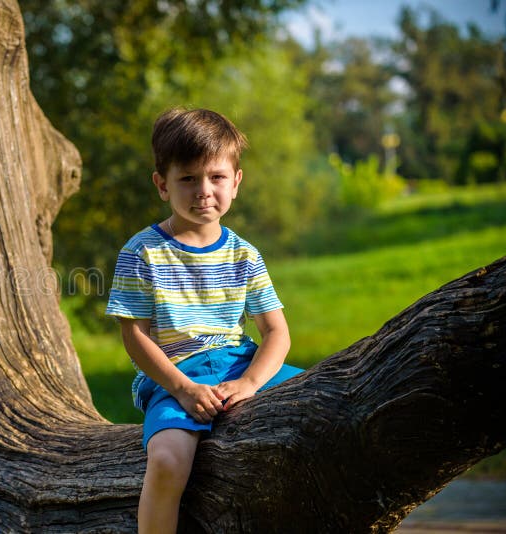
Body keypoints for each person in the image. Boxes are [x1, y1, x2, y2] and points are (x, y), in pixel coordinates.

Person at [105, 108, 303, 533]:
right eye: (188, 179)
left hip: (238, 365)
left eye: (216, 177)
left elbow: (275, 331)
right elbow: (134, 336)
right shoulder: (142, 253)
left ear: (237, 182)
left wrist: (250, 383)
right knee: (167, 460)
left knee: (325, 403)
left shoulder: (244, 254)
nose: (204, 191)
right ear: (162, 185)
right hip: (175, 378)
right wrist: (183, 388)